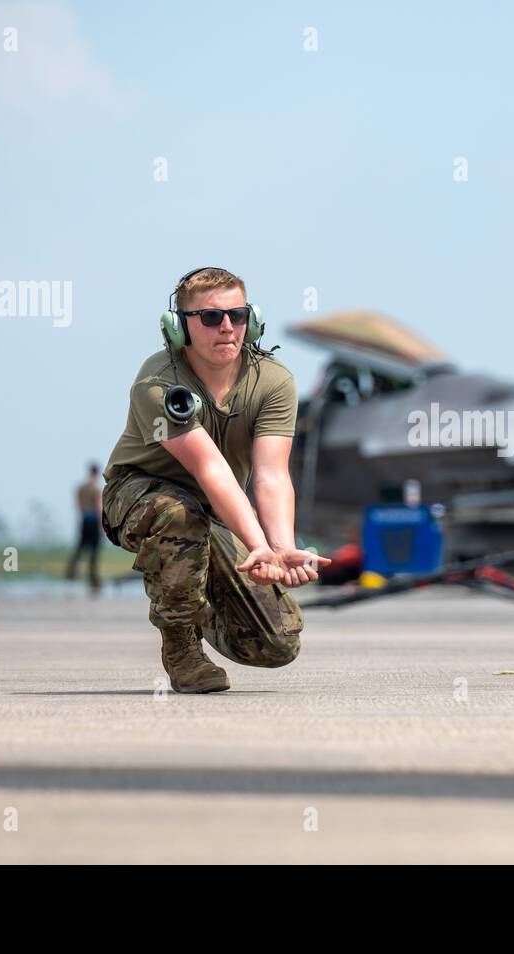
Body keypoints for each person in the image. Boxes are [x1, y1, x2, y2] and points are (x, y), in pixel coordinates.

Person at [101, 267, 330, 693]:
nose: (227, 327)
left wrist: (279, 548)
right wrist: (256, 542)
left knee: (275, 644)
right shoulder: (159, 384)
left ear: (252, 321)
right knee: (177, 513)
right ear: (178, 327)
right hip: (138, 496)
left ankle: (188, 591)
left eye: (237, 316)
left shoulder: (273, 381)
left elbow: (271, 474)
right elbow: (210, 468)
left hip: (212, 509)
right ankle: (181, 644)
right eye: (209, 317)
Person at [65, 462, 103, 590]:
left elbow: (77, 504)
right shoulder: (95, 488)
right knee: (94, 551)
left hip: (84, 519)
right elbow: (98, 507)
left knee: (80, 548)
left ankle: (71, 572)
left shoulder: (81, 487)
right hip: (93, 521)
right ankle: (93, 579)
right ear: (96, 472)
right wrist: (101, 525)